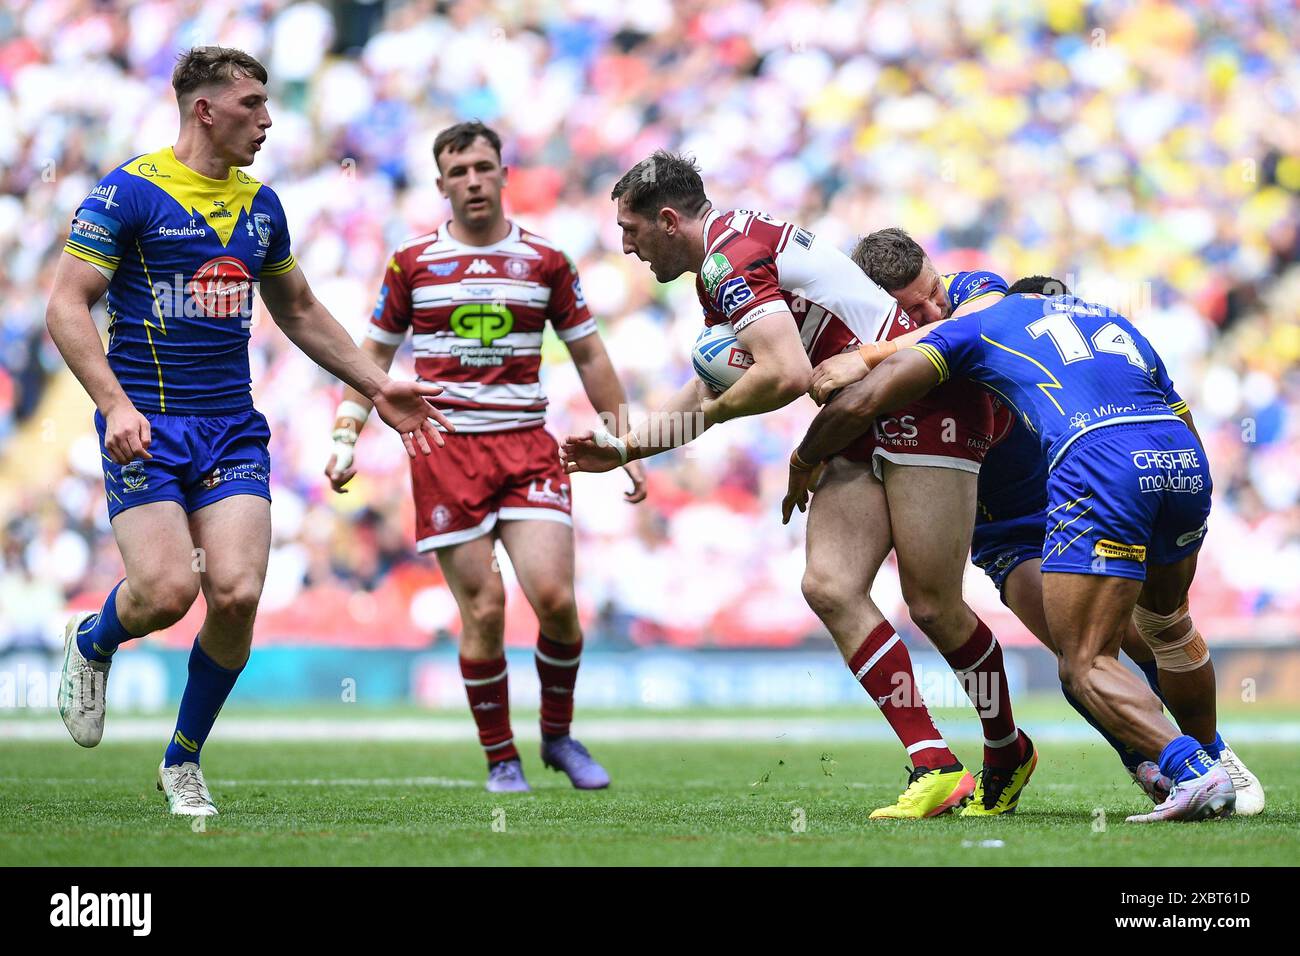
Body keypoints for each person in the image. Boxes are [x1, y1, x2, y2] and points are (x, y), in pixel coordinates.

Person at [563, 152, 1032, 819]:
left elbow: (781, 376)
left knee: (932, 606)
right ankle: (933, 762)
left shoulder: (729, 255)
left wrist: (725, 418)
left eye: (630, 229)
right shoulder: (724, 261)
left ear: (668, 220)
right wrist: (628, 445)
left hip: (923, 398)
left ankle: (1007, 749)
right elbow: (709, 384)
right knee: (830, 586)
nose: (626, 246)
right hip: (860, 414)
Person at [48, 47, 449, 817]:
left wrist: (377, 387)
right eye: (252, 105)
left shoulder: (261, 206)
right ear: (206, 109)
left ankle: (183, 760)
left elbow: (296, 310)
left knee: (235, 594)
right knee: (168, 592)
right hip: (147, 425)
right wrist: (115, 405)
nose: (267, 121)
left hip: (232, 429)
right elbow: (67, 306)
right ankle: (95, 641)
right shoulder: (127, 192)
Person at [811, 260, 1265, 815]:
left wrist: (857, 366)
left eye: (933, 293)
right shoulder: (1097, 324)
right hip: (1016, 526)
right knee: (1093, 650)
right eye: (913, 309)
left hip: (1078, 481)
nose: (932, 310)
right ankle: (1152, 757)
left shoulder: (975, 297)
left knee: (1105, 655)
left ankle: (1205, 761)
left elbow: (979, 315)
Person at [326, 122, 645, 793]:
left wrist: (628, 441)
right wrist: (346, 431)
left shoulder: (546, 260)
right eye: (457, 172)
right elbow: (373, 354)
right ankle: (502, 758)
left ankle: (557, 737)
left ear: (504, 173)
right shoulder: (412, 262)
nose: (471, 180)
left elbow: (588, 352)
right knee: (485, 608)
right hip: (444, 450)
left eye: (482, 167)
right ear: (441, 184)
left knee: (556, 600)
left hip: (528, 446)